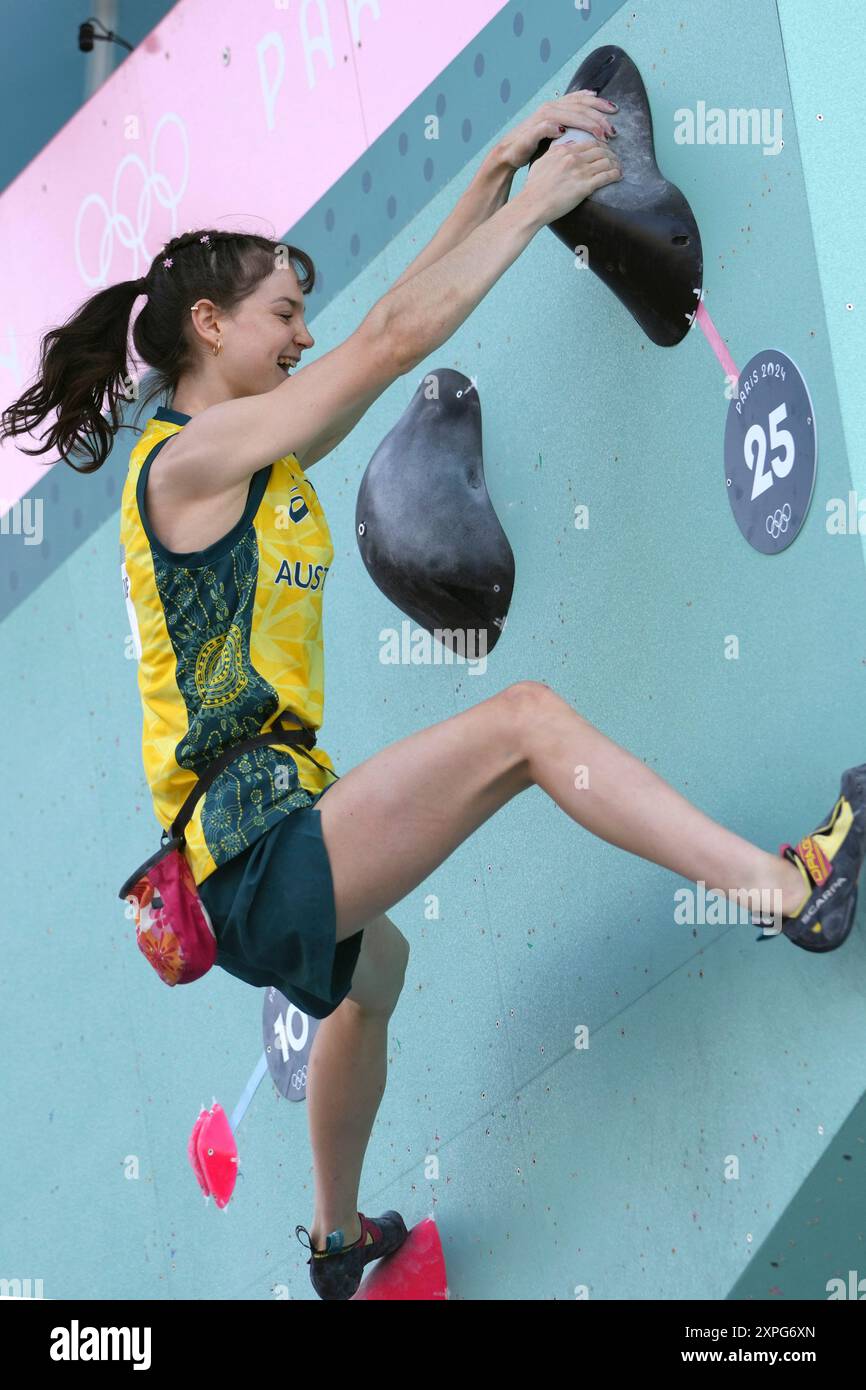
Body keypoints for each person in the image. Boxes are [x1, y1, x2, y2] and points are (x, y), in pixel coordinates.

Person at [3, 92, 864, 1302]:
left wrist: (500, 169)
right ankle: (790, 892)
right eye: (283, 314)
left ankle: (340, 1245)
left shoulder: (251, 451)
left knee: (374, 975)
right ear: (208, 324)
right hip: (252, 851)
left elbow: (389, 322)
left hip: (252, 853)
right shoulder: (192, 463)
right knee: (523, 725)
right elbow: (390, 342)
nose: (306, 336)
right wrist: (545, 203)